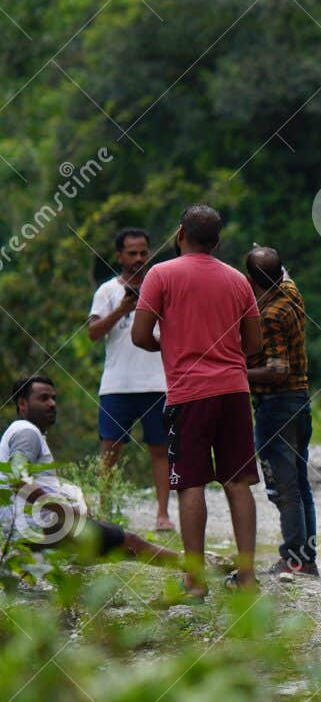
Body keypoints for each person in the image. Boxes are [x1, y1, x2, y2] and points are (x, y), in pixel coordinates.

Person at [131, 205, 262, 596]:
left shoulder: (161, 274)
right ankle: (248, 577)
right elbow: (254, 344)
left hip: (189, 393)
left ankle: (194, 581)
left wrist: (171, 346)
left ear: (180, 234)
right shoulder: (238, 280)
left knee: (190, 484)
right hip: (234, 390)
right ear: (218, 241)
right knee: (238, 482)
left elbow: (139, 335)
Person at [0, 375, 180, 568]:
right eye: (43, 398)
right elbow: (18, 478)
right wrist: (65, 512)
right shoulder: (26, 431)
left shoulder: (24, 432)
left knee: (96, 552)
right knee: (130, 543)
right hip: (34, 525)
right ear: (22, 403)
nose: (52, 404)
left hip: (25, 527)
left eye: (53, 398)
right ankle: (193, 564)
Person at [87, 227, 174, 531]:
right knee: (109, 449)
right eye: (132, 253)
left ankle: (163, 515)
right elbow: (93, 333)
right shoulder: (107, 291)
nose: (138, 258)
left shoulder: (161, 286)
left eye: (143, 252)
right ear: (119, 255)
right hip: (117, 384)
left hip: (158, 382)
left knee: (160, 450)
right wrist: (123, 308)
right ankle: (104, 510)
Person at [244, 246, 318, 580]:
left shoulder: (270, 315)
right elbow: (282, 272)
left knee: (284, 487)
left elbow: (278, 369)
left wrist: (235, 371)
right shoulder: (290, 292)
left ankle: (294, 559)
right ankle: (305, 558)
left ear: (249, 279)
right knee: (300, 485)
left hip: (278, 405)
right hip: (300, 401)